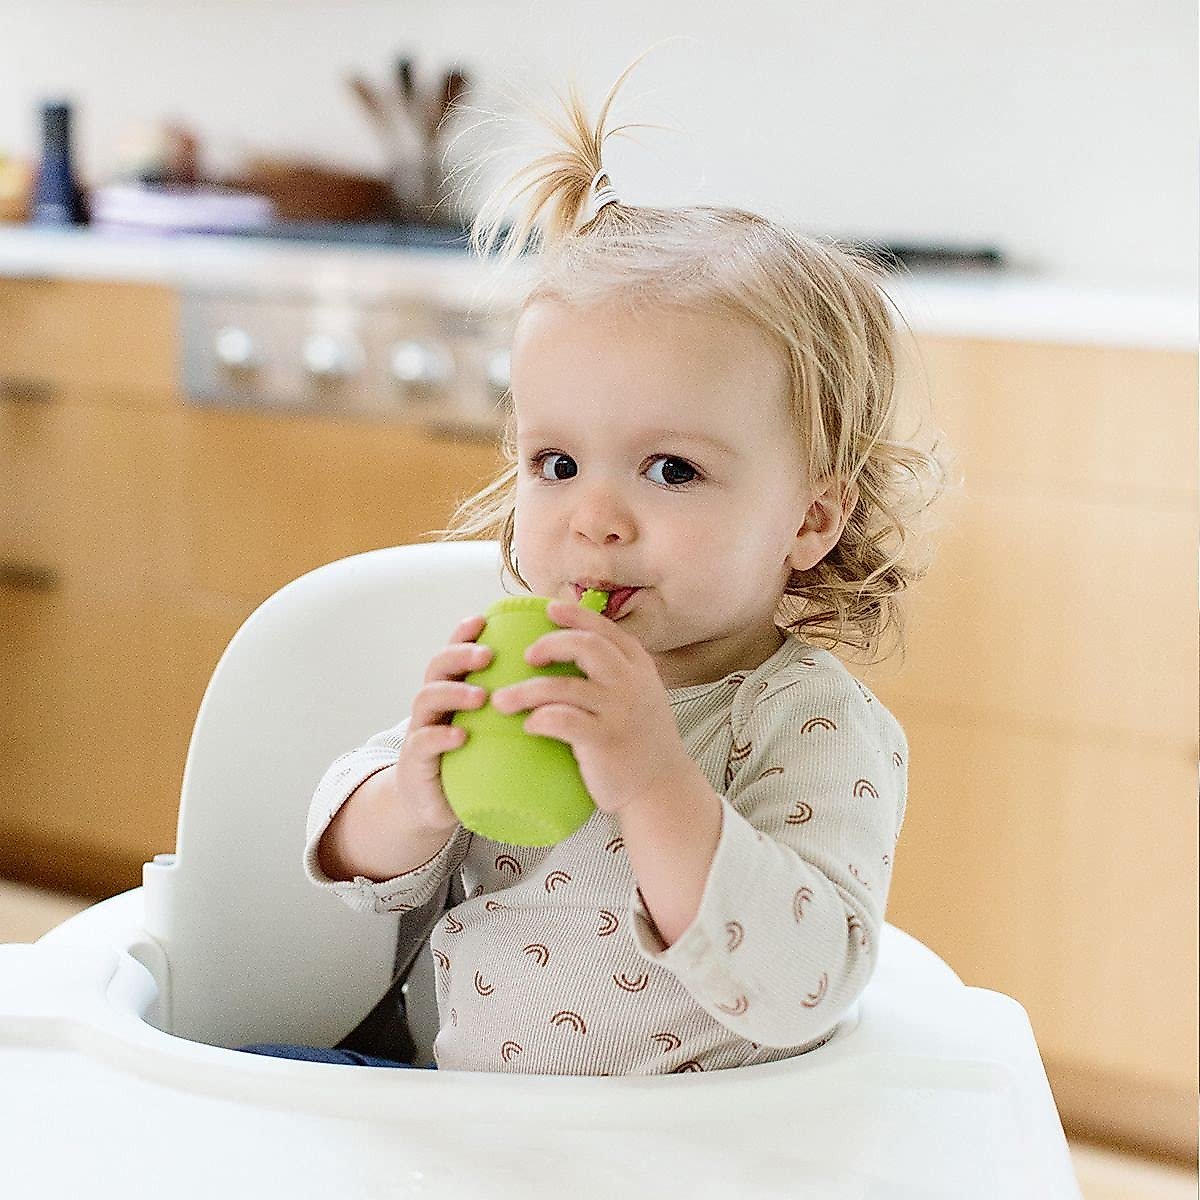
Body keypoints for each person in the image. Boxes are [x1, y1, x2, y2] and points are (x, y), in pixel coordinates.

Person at [258, 48, 948, 1074]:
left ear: (809, 520)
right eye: (558, 464)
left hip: (687, 1146)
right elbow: (347, 867)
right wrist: (411, 797)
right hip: (459, 1121)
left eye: (671, 469)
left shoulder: (801, 719)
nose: (595, 520)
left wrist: (655, 779)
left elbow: (805, 980)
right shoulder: (526, 666)